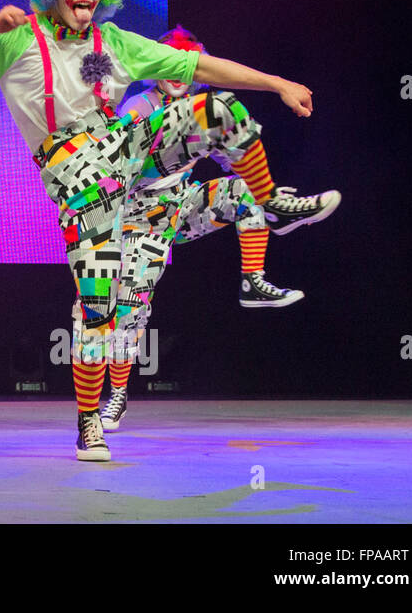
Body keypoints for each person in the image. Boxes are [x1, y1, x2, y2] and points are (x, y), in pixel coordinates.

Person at [0, 0, 330, 462]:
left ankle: (269, 204)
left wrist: (276, 82)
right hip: (76, 173)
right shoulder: (15, 40)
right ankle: (90, 423)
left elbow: (201, 68)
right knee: (98, 308)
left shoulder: (115, 43)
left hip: (124, 147)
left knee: (218, 110)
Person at [97, 25, 341, 430]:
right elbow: (122, 169)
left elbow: (233, 159)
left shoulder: (200, 106)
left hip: (183, 207)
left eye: (185, 64)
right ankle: (118, 395)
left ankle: (253, 279)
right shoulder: (138, 106)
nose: (176, 74)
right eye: (168, 63)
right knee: (130, 311)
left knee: (246, 191)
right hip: (140, 218)